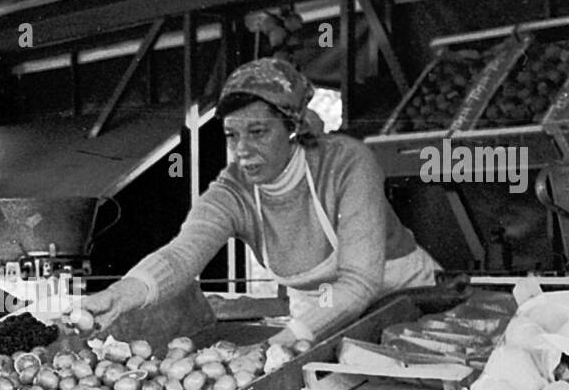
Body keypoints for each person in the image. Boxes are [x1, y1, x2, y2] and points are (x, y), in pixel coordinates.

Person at [84, 58, 440, 349]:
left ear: (292, 128)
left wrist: (283, 342)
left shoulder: (347, 163)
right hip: (317, 315)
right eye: (231, 135)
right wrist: (123, 293)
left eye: (258, 133)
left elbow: (358, 283)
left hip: (401, 301)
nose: (242, 150)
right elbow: (181, 255)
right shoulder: (234, 189)